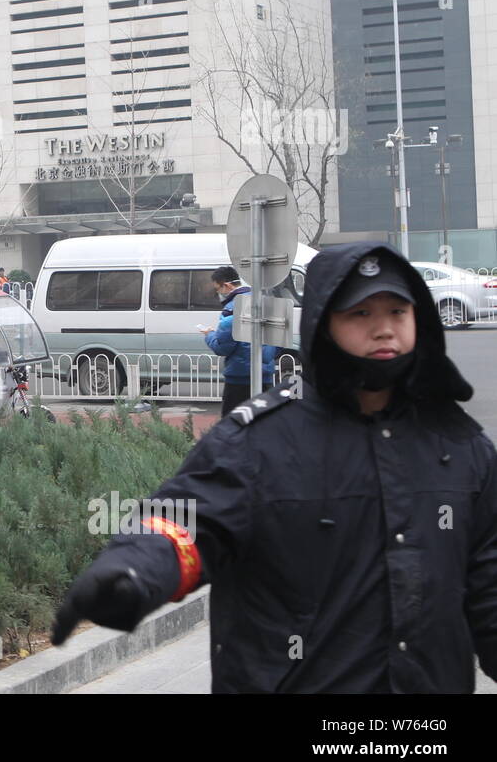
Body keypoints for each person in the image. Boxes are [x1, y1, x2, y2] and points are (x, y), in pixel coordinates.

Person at [50, 242, 497, 692]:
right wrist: (135, 570)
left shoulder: (460, 446)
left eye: (398, 312)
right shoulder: (256, 442)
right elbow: (186, 522)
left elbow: (489, 582)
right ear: (324, 324)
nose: (384, 330)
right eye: (361, 314)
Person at [203, 265, 277, 418]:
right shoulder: (264, 304)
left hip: (239, 379)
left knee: (233, 426)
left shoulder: (231, 311)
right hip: (264, 376)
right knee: (263, 423)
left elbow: (222, 348)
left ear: (227, 286)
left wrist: (209, 335)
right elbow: (276, 341)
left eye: (218, 289)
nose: (218, 294)